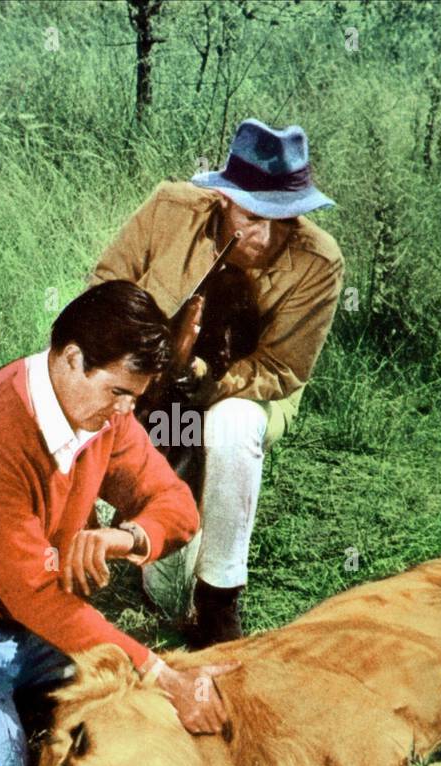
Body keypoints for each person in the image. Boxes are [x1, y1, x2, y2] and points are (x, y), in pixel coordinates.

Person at [0, 281, 237, 766]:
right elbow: (33, 594)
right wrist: (157, 672)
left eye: (134, 399)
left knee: (136, 704)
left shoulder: (106, 417)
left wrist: (126, 538)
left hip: (39, 614)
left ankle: (5, 702)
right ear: (71, 358)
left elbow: (178, 506)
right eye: (117, 392)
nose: (125, 413)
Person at [87, 118, 345, 646]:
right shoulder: (170, 210)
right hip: (151, 383)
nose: (269, 235)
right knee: (162, 590)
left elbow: (284, 368)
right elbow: (101, 291)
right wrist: (145, 364)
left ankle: (220, 596)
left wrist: (206, 379)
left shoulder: (321, 263)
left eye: (286, 218)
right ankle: (82, 510)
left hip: (249, 390)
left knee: (230, 427)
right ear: (224, 199)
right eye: (254, 217)